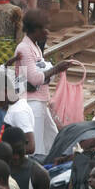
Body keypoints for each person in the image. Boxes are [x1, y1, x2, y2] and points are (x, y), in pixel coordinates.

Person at [14, 8, 71, 157]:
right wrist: (56, 69)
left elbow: (40, 75)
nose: (47, 32)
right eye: (44, 28)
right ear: (35, 29)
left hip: (40, 101)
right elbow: (35, 78)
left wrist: (48, 73)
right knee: (37, 147)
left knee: (52, 140)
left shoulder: (35, 47)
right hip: (31, 102)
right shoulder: (24, 48)